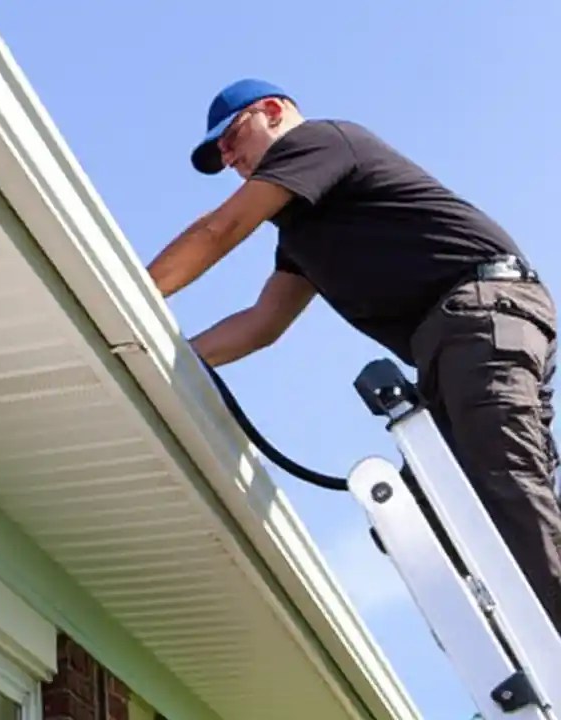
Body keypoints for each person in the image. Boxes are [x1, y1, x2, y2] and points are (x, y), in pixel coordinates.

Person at [145, 78, 561, 634]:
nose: (229, 159)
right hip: (455, 343)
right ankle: (515, 656)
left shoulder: (321, 141)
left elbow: (221, 229)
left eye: (232, 138)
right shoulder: (303, 232)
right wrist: (157, 353)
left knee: (503, 480)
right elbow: (262, 322)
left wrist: (131, 297)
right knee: (421, 520)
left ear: (274, 111)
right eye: (219, 155)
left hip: (480, 315)